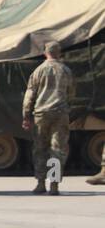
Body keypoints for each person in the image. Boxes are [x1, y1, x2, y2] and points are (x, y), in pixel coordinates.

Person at [22, 41, 75, 195]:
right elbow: (71, 93)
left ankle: (40, 183)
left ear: (45, 53)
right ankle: (54, 185)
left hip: (41, 114)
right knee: (57, 150)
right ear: (59, 53)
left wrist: (26, 115)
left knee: (40, 149)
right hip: (60, 113)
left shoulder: (38, 71)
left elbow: (29, 95)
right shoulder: (66, 70)